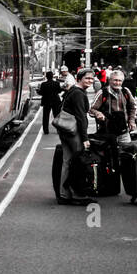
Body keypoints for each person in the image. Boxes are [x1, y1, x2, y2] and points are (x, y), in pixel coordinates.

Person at [57, 68, 96, 204]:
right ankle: (77, 194)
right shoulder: (79, 93)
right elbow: (80, 117)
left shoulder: (73, 90)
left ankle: (64, 194)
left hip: (65, 130)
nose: (90, 81)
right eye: (87, 78)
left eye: (92, 79)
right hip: (73, 132)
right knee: (78, 162)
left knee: (67, 162)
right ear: (80, 78)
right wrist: (85, 138)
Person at [90, 69, 137, 144]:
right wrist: (98, 113)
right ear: (109, 80)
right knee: (110, 154)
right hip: (107, 131)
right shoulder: (103, 93)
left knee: (126, 152)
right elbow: (91, 109)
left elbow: (133, 107)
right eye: (115, 80)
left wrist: (131, 121)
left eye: (120, 81)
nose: (117, 83)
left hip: (124, 131)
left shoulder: (125, 92)